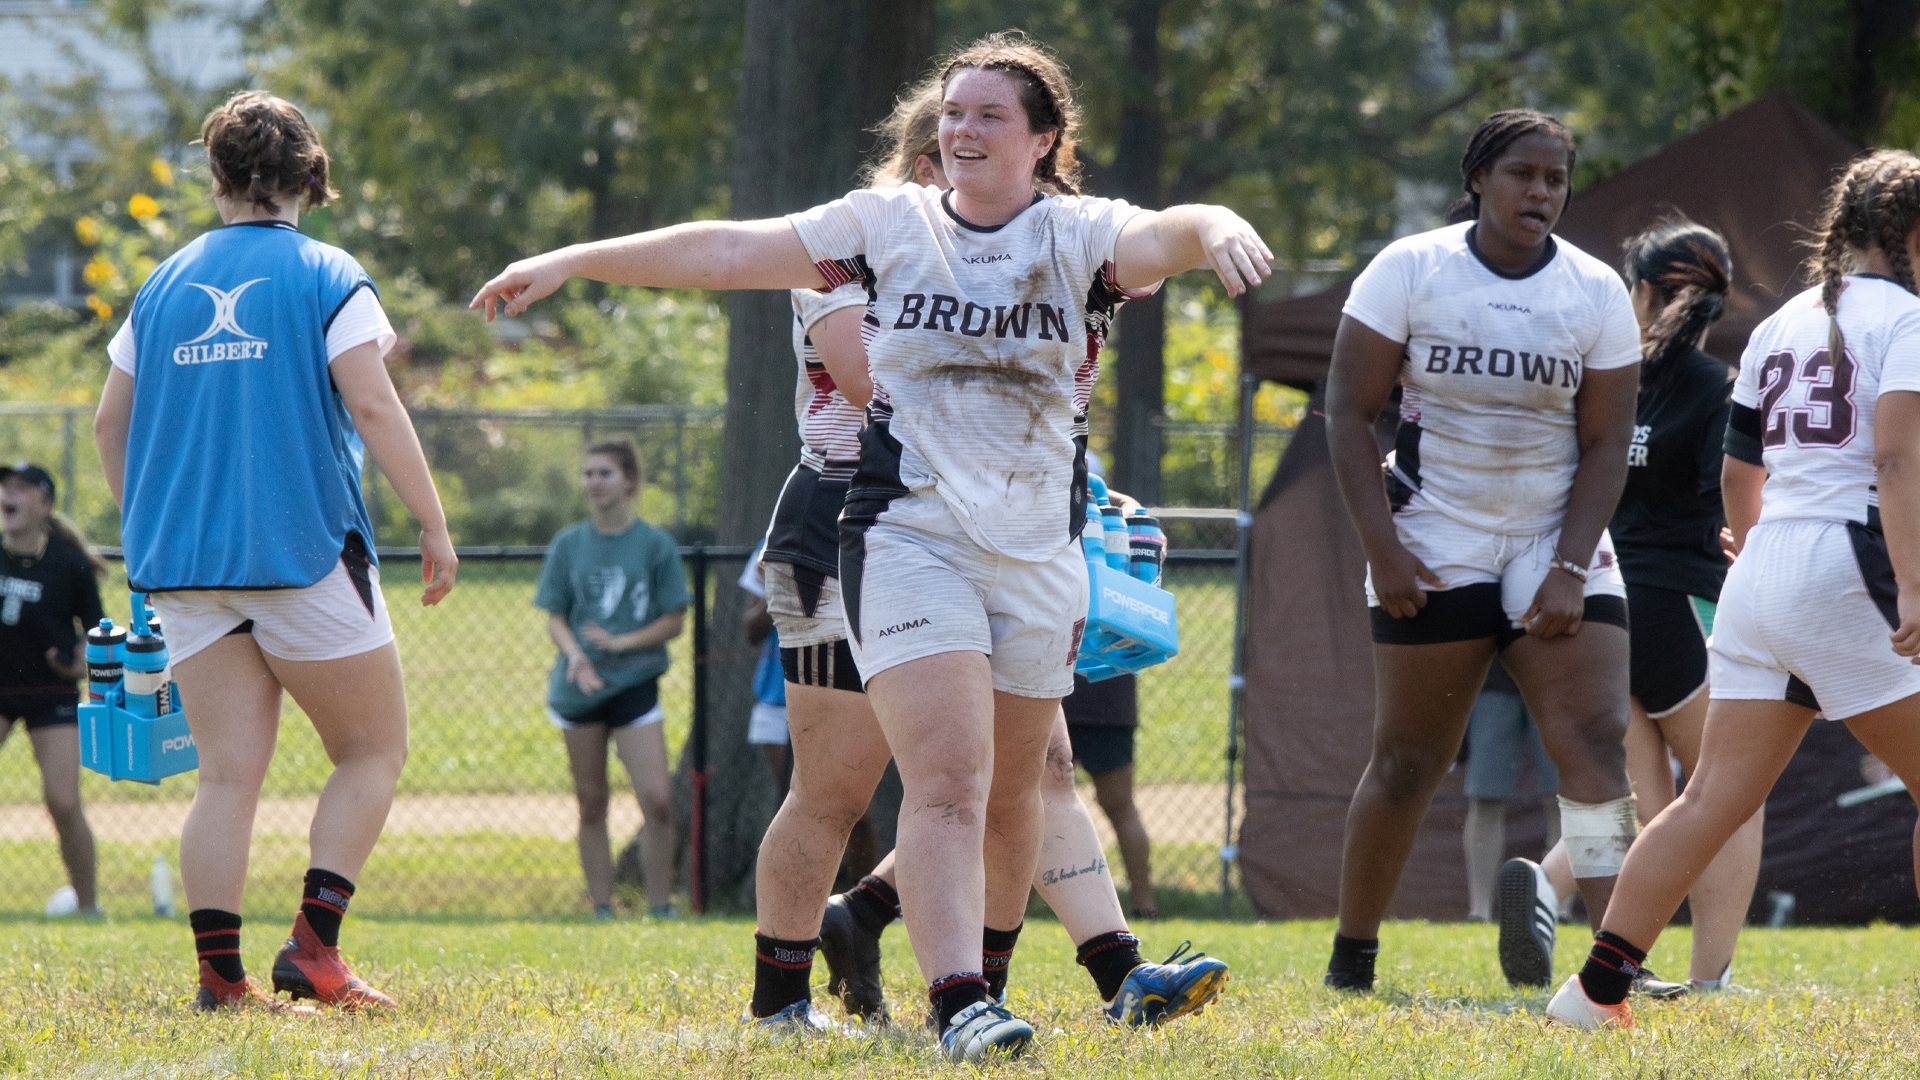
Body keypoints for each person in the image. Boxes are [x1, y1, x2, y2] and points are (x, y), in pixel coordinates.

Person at [473, 31, 1267, 1061]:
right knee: (931, 782)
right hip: (896, 530)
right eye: (953, 111)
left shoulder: (1081, 237)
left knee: (1025, 786)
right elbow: (726, 249)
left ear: (1044, 139)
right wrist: (571, 260)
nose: (963, 129)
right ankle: (949, 1000)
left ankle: (1016, 972)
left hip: (1034, 548)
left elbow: (1169, 230)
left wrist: (1219, 225)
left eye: (990, 114)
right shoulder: (880, 227)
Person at [744, 73, 1226, 1036]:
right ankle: (785, 998)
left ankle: (1012, 984)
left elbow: (1019, 403)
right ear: (920, 168)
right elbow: (895, 389)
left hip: (986, 526)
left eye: (983, 132)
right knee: (839, 788)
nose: (959, 159)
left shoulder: (1030, 252)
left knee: (1026, 768)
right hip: (855, 522)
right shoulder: (853, 257)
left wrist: (1081, 489)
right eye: (943, 142)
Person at [92, 90, 456, 1013]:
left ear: (215, 177)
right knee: (371, 750)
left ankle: (222, 978)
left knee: (224, 778)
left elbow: (110, 423)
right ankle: (313, 949)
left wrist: (154, 522)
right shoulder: (327, 270)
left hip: (184, 569)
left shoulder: (164, 282)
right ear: (310, 176)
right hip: (301, 553)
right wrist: (433, 521)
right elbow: (372, 405)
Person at [1549, 150, 1920, 1028]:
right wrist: (1913, 585)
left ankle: (1592, 995)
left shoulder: (1782, 320)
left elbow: (1738, 472)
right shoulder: (1907, 320)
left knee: (1708, 798)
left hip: (1762, 571)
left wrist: (1759, 557)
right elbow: (1898, 458)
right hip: (1852, 560)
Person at [1322, 108, 1643, 993]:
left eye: (1556, 179)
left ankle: (1618, 961)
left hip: (1554, 533)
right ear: (1478, 179)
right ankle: (1353, 959)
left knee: (1594, 745)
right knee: (1409, 760)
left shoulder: (1593, 289)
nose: (1541, 192)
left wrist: (1573, 565)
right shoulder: (1410, 267)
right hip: (1434, 531)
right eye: (1522, 175)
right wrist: (1384, 553)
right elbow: (1346, 412)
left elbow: (1609, 442)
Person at [1510, 221, 1755, 995]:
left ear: (1641, 291)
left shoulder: (1606, 377)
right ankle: (1710, 979)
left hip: (1604, 600)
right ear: (1714, 302)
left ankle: (1550, 882)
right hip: (1681, 606)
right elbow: (1734, 487)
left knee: (1650, 799)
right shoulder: (1719, 385)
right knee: (1731, 795)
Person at [535, 439, 687, 920]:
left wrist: (623, 643)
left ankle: (660, 906)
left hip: (635, 684)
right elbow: (555, 615)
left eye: (604, 473)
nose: (593, 482)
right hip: (580, 688)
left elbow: (675, 619)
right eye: (587, 474)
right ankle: (603, 908)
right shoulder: (568, 543)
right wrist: (576, 654)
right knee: (592, 802)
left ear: (629, 481)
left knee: (657, 801)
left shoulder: (655, 544)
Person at [0, 462, 104, 917]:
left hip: (50, 692)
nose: (9, 495)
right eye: (4, 488)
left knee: (63, 802)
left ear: (44, 504)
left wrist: (80, 664)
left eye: (21, 489)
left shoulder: (68, 562)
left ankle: (88, 906)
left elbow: (97, 635)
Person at [1458, 660, 1559, 923]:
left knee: (1563, 801)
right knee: (1485, 799)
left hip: (1556, 676)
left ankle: (1559, 908)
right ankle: (1479, 912)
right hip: (1492, 677)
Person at [1060, 671, 1155, 917]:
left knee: (1034, 804)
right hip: (1110, 702)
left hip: (1054, 697)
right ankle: (1145, 906)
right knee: (1122, 809)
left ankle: (1015, 912)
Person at [739, 544, 793, 795]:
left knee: (855, 812)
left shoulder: (844, 533)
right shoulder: (769, 546)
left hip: (835, 694)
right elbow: (752, 632)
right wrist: (776, 590)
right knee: (792, 801)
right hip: (777, 699)